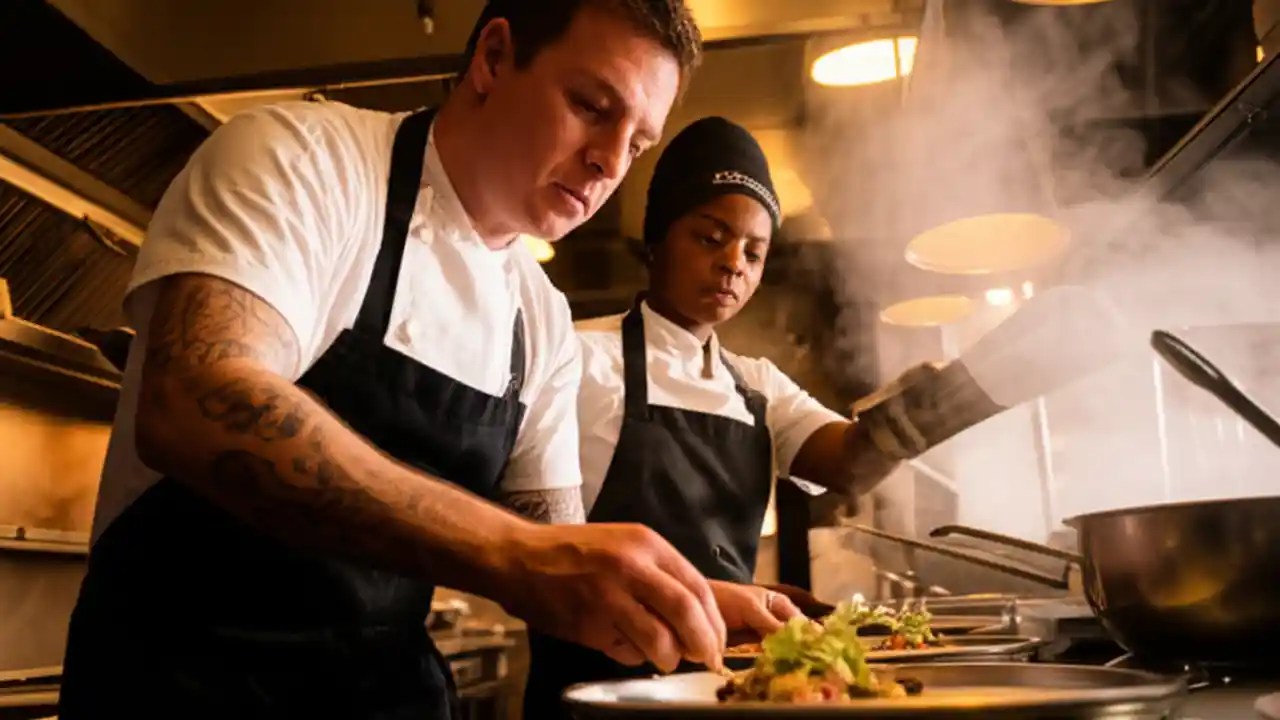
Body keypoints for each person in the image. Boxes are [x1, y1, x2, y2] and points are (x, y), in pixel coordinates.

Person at [53, 3, 772, 718]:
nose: (611, 162)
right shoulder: (301, 160)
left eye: (637, 144)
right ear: (493, 59)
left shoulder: (540, 317)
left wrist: (685, 605)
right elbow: (197, 402)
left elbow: (555, 551)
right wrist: (514, 554)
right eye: (590, 105)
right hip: (177, 689)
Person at [523, 116, 908, 717]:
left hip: (719, 690)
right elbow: (540, 546)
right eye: (710, 238)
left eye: (754, 252)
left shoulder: (756, 384)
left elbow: (850, 463)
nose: (734, 263)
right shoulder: (576, 356)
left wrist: (955, 397)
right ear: (657, 240)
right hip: (597, 692)